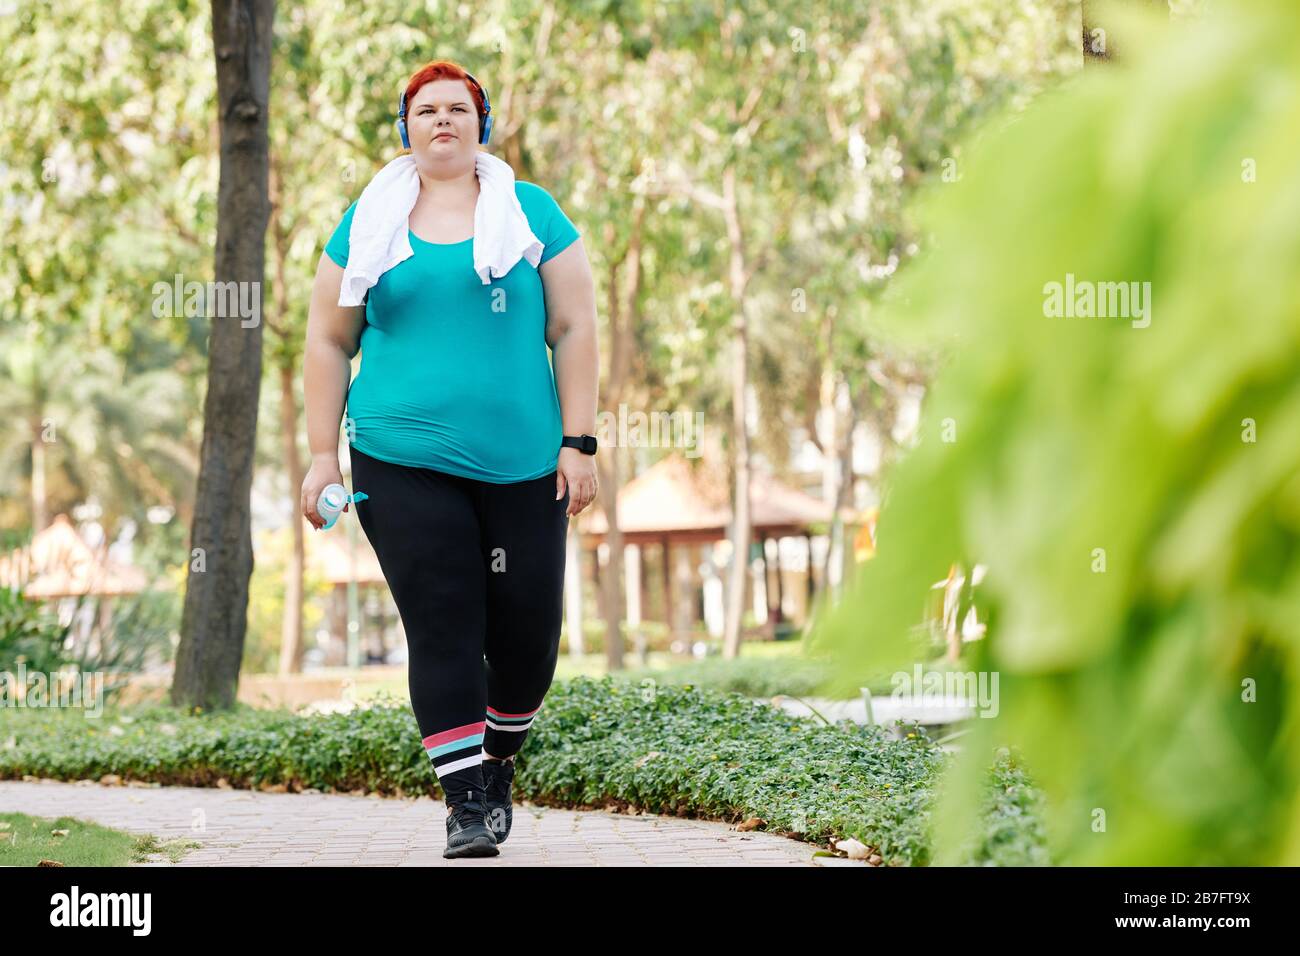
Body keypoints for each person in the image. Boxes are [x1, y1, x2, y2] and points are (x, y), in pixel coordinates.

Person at [300, 60, 599, 858]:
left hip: (526, 463)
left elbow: (572, 328)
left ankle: (497, 761)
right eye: (425, 110)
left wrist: (580, 443)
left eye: (457, 109)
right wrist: (318, 457)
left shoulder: (532, 214)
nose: (442, 120)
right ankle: (466, 802)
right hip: (400, 459)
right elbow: (329, 341)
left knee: (530, 641)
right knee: (443, 623)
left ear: (481, 123)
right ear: (407, 128)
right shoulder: (368, 224)